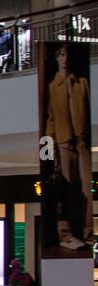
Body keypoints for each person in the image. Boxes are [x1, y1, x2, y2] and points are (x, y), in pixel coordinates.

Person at [44, 42, 93, 252]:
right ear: (56, 58)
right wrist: (50, 146)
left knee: (84, 190)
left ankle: (86, 232)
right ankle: (65, 233)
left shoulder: (81, 83)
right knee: (66, 188)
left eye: (66, 54)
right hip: (63, 143)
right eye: (61, 54)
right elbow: (51, 118)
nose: (64, 58)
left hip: (81, 141)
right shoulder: (53, 86)